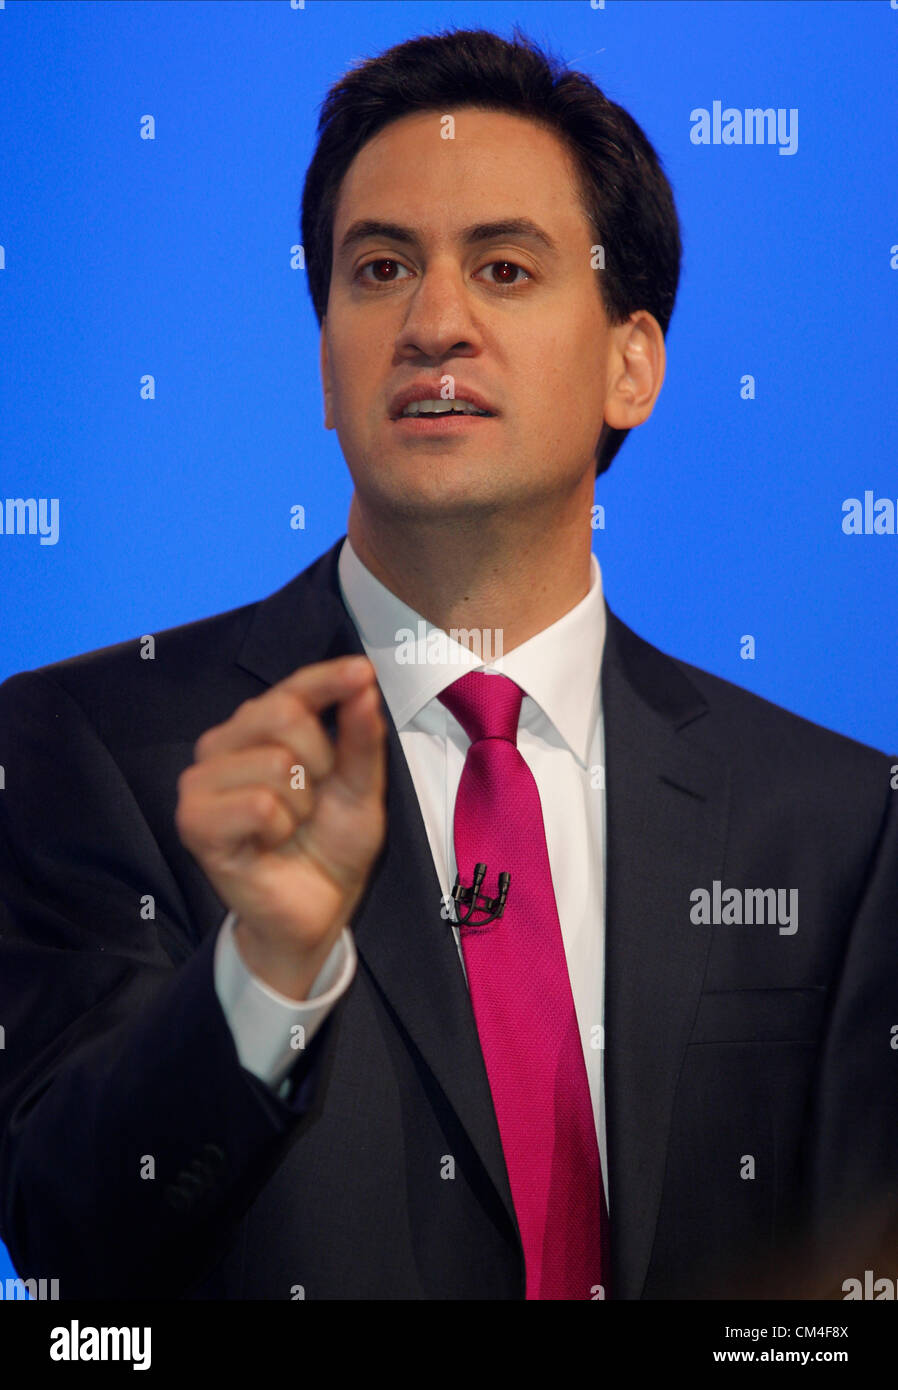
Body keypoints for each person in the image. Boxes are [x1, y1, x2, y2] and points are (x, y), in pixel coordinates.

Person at [0, 27, 895, 1302]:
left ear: (630, 363)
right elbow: (63, 1230)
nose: (432, 323)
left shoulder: (835, 822)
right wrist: (263, 969)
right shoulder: (88, 746)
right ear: (324, 358)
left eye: (506, 267)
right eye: (378, 268)